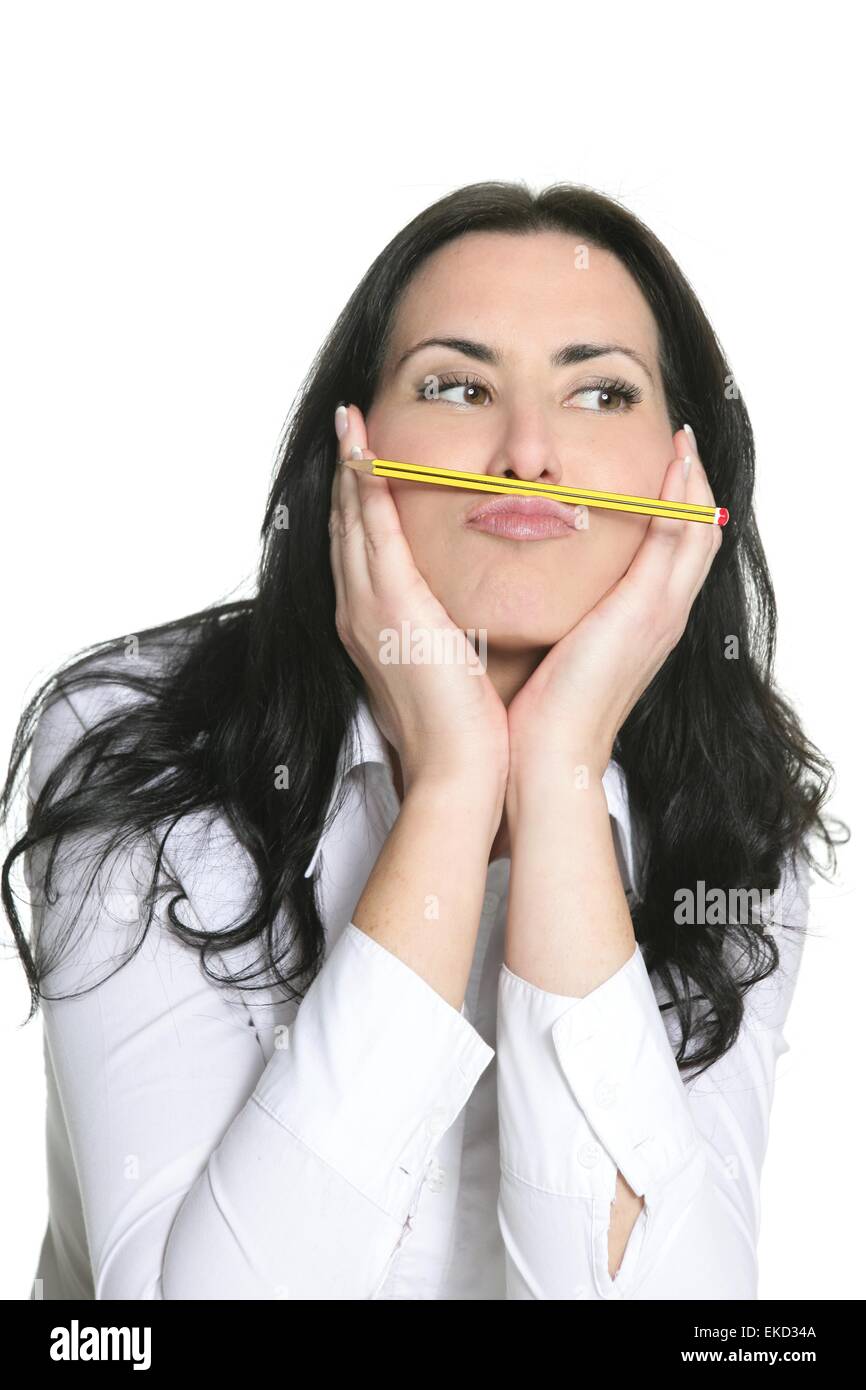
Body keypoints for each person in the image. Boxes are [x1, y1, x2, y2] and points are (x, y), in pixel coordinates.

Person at [1, 180, 845, 1300]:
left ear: (680, 479)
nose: (526, 454)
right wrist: (453, 788)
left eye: (598, 393)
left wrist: (555, 777)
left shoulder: (734, 819)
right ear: (356, 444)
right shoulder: (137, 744)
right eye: (455, 385)